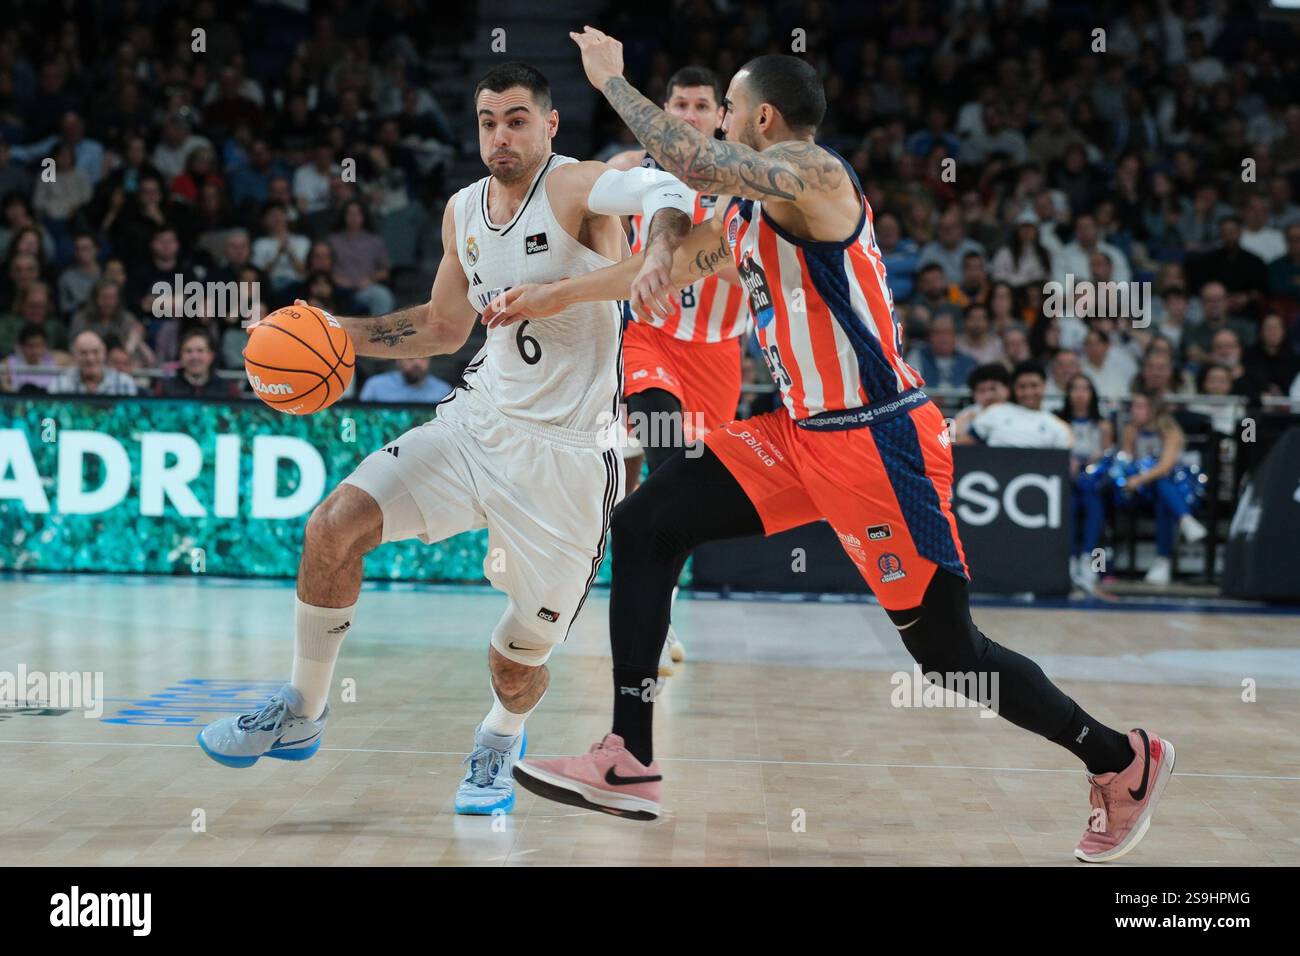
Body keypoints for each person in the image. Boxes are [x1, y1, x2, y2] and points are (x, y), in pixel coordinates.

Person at [491, 33, 1175, 863]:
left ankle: (1120, 758)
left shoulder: (817, 175)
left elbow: (694, 164)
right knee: (644, 525)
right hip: (799, 435)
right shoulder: (746, 219)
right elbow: (653, 270)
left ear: (762, 116)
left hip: (879, 440)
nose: (720, 124)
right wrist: (546, 294)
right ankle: (628, 756)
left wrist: (612, 82)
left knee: (949, 656)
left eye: (729, 110)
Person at [198, 61, 700, 820]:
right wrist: (334, 332)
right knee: (333, 526)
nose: (501, 134)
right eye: (488, 120)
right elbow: (439, 328)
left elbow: (663, 190)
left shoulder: (573, 187)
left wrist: (659, 249)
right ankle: (302, 708)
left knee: (516, 661)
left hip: (566, 461)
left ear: (550, 124)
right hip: (476, 427)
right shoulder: (463, 210)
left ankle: (502, 736)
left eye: (518, 119)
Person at [607, 65, 752, 676]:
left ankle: (659, 607)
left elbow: (748, 261)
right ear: (663, 110)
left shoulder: (744, 176)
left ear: (720, 115)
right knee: (666, 462)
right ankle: (646, 624)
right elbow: (595, 239)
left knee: (679, 495)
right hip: (649, 337)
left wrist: (687, 251)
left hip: (718, 352)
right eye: (679, 105)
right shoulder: (627, 169)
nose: (689, 115)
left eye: (701, 105)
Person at [1115, 389, 1207, 586]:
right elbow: (1127, 461)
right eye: (1133, 406)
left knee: (1162, 489)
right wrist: (1134, 476)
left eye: (1140, 407)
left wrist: (1139, 479)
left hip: (1180, 486)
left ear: (1153, 409)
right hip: (1142, 488)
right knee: (1158, 488)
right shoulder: (1131, 430)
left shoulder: (1170, 431)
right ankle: (1185, 520)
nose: (1134, 411)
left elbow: (1165, 467)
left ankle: (1162, 561)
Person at [1057, 374, 1115, 594]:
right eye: (1075, 389)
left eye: (1085, 389)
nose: (1080, 394)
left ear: (1092, 395)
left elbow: (1109, 457)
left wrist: (1096, 459)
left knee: (1094, 504)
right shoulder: (1060, 422)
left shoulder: (1103, 425)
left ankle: (1088, 562)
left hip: (1093, 480)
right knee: (1069, 505)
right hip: (1066, 480)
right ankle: (1070, 560)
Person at [49, 329, 138, 395]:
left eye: (95, 352)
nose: (90, 359)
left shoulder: (125, 383)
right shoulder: (59, 384)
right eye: (83, 353)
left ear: (104, 353)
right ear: (74, 356)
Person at [155, 328, 238, 398]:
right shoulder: (165, 388)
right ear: (181, 355)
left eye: (200, 351)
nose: (194, 357)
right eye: (188, 351)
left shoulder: (229, 389)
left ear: (211, 355)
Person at [358, 356, 453, 403]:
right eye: (410, 358)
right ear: (398, 360)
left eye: (423, 358)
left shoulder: (443, 390)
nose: (417, 363)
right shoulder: (375, 386)